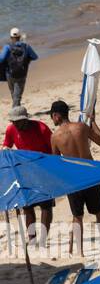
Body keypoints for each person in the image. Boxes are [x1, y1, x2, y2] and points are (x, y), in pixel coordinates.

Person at [49, 100, 100, 256]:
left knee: (77, 216)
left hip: (73, 179)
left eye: (52, 116)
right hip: (90, 174)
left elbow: (56, 163)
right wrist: (93, 122)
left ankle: (80, 251)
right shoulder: (81, 127)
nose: (52, 120)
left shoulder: (55, 137)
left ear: (56, 115)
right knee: (99, 212)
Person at [3, 106, 54, 249]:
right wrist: (6, 151)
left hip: (43, 171)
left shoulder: (42, 128)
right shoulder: (11, 129)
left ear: (26, 119)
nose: (16, 125)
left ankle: (43, 239)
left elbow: (53, 150)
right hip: (24, 172)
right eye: (14, 122)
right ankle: (32, 239)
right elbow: (6, 146)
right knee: (27, 207)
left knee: (46, 206)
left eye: (18, 122)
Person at [1, 28, 37, 106]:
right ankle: (16, 109)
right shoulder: (26, 47)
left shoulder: (7, 47)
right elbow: (35, 57)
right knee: (17, 95)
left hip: (10, 74)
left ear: (11, 37)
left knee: (13, 93)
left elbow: (1, 59)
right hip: (22, 73)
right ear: (20, 37)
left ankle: (16, 109)